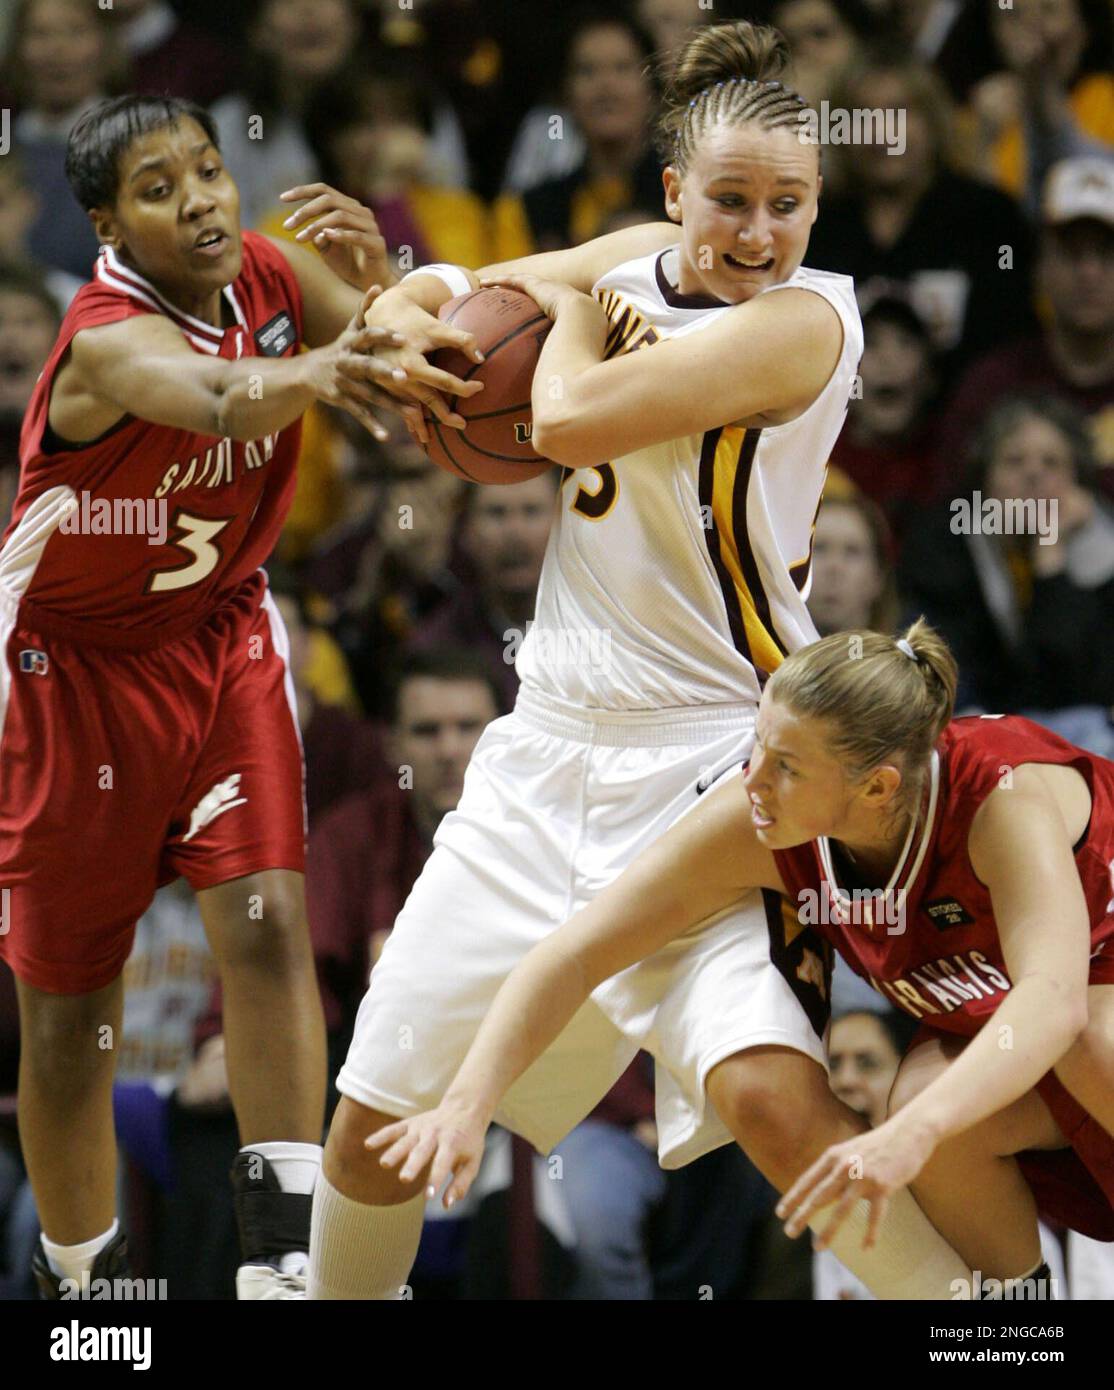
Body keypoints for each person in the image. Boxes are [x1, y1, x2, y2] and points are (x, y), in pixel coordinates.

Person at [307, 20, 979, 1303]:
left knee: (775, 1103)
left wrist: (555, 304)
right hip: (544, 748)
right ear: (674, 195)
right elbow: (456, 292)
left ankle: (981, 1322)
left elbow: (558, 415)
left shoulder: (808, 324)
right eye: (729, 200)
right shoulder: (628, 265)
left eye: (789, 204)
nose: (757, 230)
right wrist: (401, 302)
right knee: (371, 1134)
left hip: (718, 762)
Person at [0, 93, 470, 1300]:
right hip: (74, 676)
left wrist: (389, 277)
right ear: (105, 221)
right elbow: (217, 399)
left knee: (266, 923)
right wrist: (327, 356)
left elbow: (403, 355)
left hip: (220, 639)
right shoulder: (104, 339)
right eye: (159, 189)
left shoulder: (267, 269)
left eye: (207, 170)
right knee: (68, 1025)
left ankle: (282, 1255)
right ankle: (83, 1283)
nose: (201, 198)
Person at [372, 620, 1114, 1296]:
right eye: (759, 744)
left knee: (1063, 1052)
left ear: (878, 787)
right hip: (1022, 1020)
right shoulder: (758, 819)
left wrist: (908, 1137)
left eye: (786, 764)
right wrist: (467, 1104)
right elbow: (576, 950)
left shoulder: (999, 802)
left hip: (1081, 997)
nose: (753, 778)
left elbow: (1053, 999)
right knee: (926, 1107)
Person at [901, 393, 1114, 716]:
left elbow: (1080, 684)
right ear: (985, 478)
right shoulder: (945, 545)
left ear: (1077, 480)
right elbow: (951, 673)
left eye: (1051, 462)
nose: (1033, 474)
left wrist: (1050, 555)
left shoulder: (1104, 544)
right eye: (1014, 461)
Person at [934, 156, 1114, 495]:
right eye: (1071, 253)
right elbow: (948, 524)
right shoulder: (990, 388)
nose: (1090, 272)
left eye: (1107, 253)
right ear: (1039, 267)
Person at [410, 472, 559, 713]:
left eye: (531, 511)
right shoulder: (437, 645)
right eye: (496, 513)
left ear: (565, 525)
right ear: (466, 531)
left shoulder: (608, 635)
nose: (514, 532)